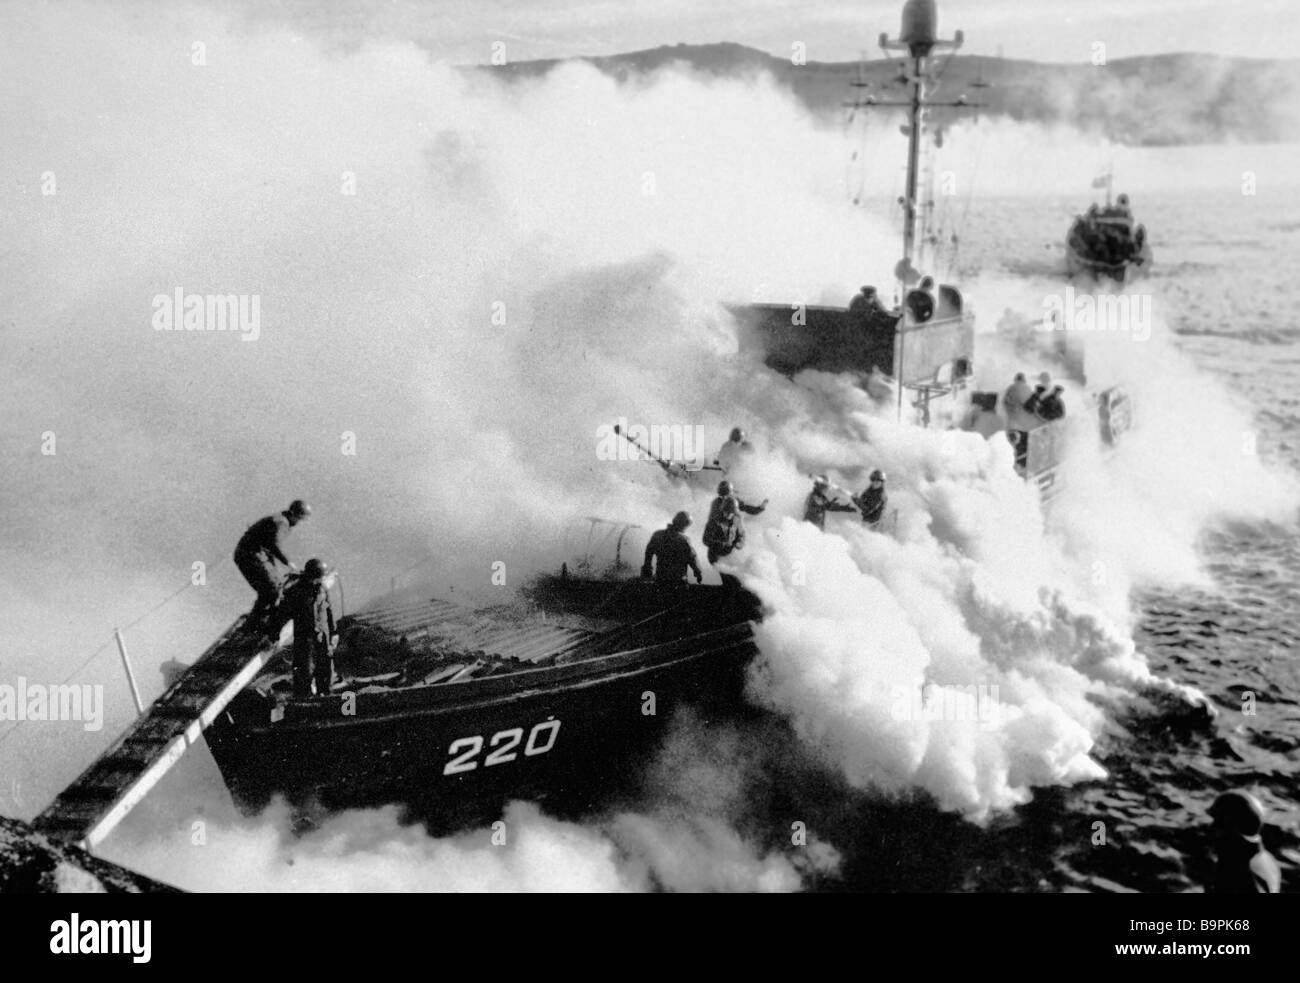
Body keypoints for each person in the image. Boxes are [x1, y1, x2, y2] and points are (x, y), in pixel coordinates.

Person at [234, 499, 311, 633]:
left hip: (250, 555)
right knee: (271, 591)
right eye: (299, 519)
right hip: (250, 556)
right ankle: (252, 625)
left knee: (272, 586)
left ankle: (257, 619)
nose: (298, 523)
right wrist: (288, 563)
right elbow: (273, 545)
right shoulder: (281, 523)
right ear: (295, 515)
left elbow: (268, 546)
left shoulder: (278, 519)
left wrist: (274, 570)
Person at [1208, 790, 1282, 894]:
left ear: (1233, 829)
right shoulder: (1264, 858)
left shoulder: (1238, 872)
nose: (1211, 828)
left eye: (1218, 823)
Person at [285, 558, 337, 699]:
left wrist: (334, 631)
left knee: (325, 668)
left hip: (323, 634)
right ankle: (303, 700)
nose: (318, 581)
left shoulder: (322, 589)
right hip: (304, 636)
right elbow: (283, 613)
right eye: (317, 578)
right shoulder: (296, 591)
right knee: (304, 670)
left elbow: (329, 610)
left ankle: (325, 695)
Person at [703, 480, 767, 565]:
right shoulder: (715, 504)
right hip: (718, 542)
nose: (725, 498)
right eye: (722, 496)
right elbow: (710, 526)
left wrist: (759, 508)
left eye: (727, 495)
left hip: (730, 542)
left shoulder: (734, 503)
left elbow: (746, 508)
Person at [642, 511, 703, 586]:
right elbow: (692, 558)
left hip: (660, 578)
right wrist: (698, 572)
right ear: (685, 525)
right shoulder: (684, 540)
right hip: (678, 580)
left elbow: (649, 553)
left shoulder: (658, 535)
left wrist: (647, 569)